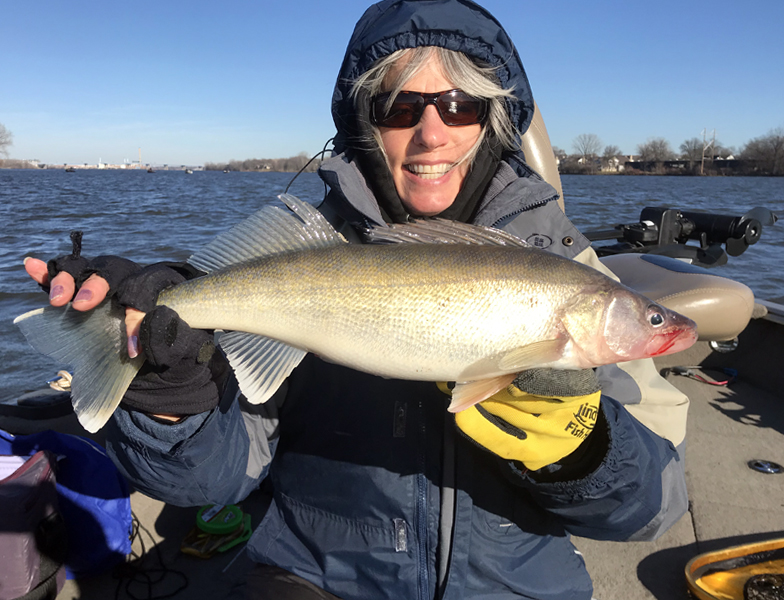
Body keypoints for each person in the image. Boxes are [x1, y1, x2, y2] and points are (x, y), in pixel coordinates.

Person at [24, 1, 690, 598]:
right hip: (309, 574)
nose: (432, 134)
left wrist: (584, 451)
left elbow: (656, 508)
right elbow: (213, 486)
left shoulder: (571, 267)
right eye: (400, 109)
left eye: (460, 106)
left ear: (493, 120)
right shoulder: (310, 242)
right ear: (364, 123)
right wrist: (171, 401)